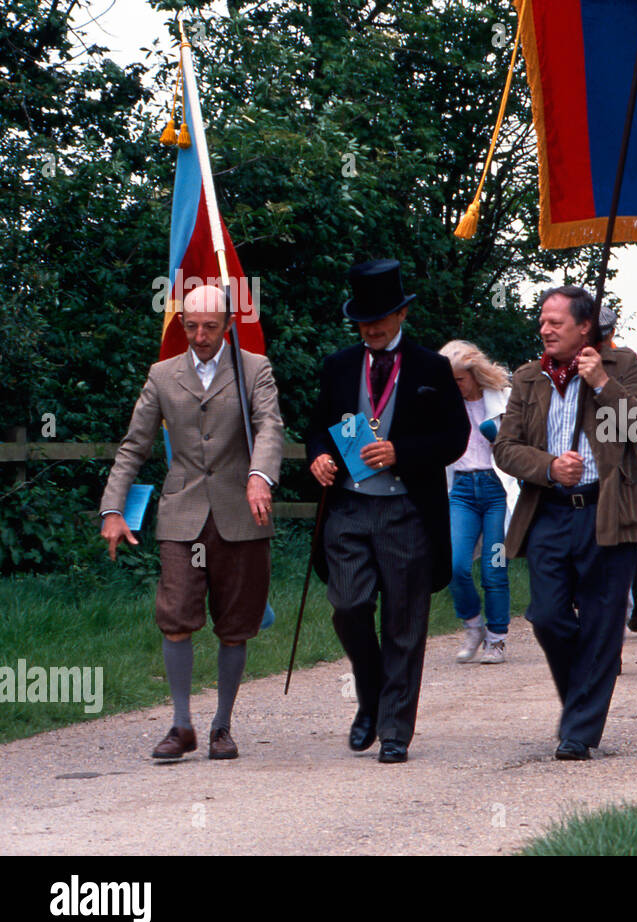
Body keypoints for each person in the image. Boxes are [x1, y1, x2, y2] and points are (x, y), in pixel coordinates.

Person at [99, 285, 284, 761]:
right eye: (191, 326)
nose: (200, 336)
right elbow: (134, 446)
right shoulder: (162, 375)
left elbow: (270, 427)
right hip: (181, 518)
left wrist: (260, 477)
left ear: (227, 325)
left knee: (235, 625)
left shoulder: (253, 368)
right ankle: (182, 726)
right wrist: (113, 509)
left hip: (242, 514)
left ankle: (222, 725)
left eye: (209, 327)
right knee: (176, 617)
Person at [306, 259, 469, 764]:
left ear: (401, 314)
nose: (371, 328)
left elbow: (455, 437)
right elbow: (317, 427)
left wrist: (403, 450)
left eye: (380, 318)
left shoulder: (431, 368)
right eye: (362, 321)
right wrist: (319, 456)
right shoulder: (337, 366)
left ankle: (395, 730)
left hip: (406, 511)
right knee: (349, 606)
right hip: (348, 508)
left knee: (404, 624)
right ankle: (370, 690)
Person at [493, 285, 637, 760]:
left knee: (602, 623)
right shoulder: (529, 377)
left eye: (555, 323)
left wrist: (602, 385)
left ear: (584, 327)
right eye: (542, 321)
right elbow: (505, 447)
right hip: (549, 512)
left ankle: (579, 732)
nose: (544, 329)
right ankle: (581, 703)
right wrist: (547, 466)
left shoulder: (620, 366)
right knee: (546, 616)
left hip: (609, 514)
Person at [440, 340, 517, 665]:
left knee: (494, 567)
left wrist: (498, 438)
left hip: (495, 489)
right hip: (461, 490)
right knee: (454, 565)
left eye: (459, 379)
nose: (455, 387)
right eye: (450, 381)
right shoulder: (443, 406)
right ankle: (473, 625)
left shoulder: (504, 399)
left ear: (473, 374)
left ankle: (496, 639)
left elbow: (523, 440)